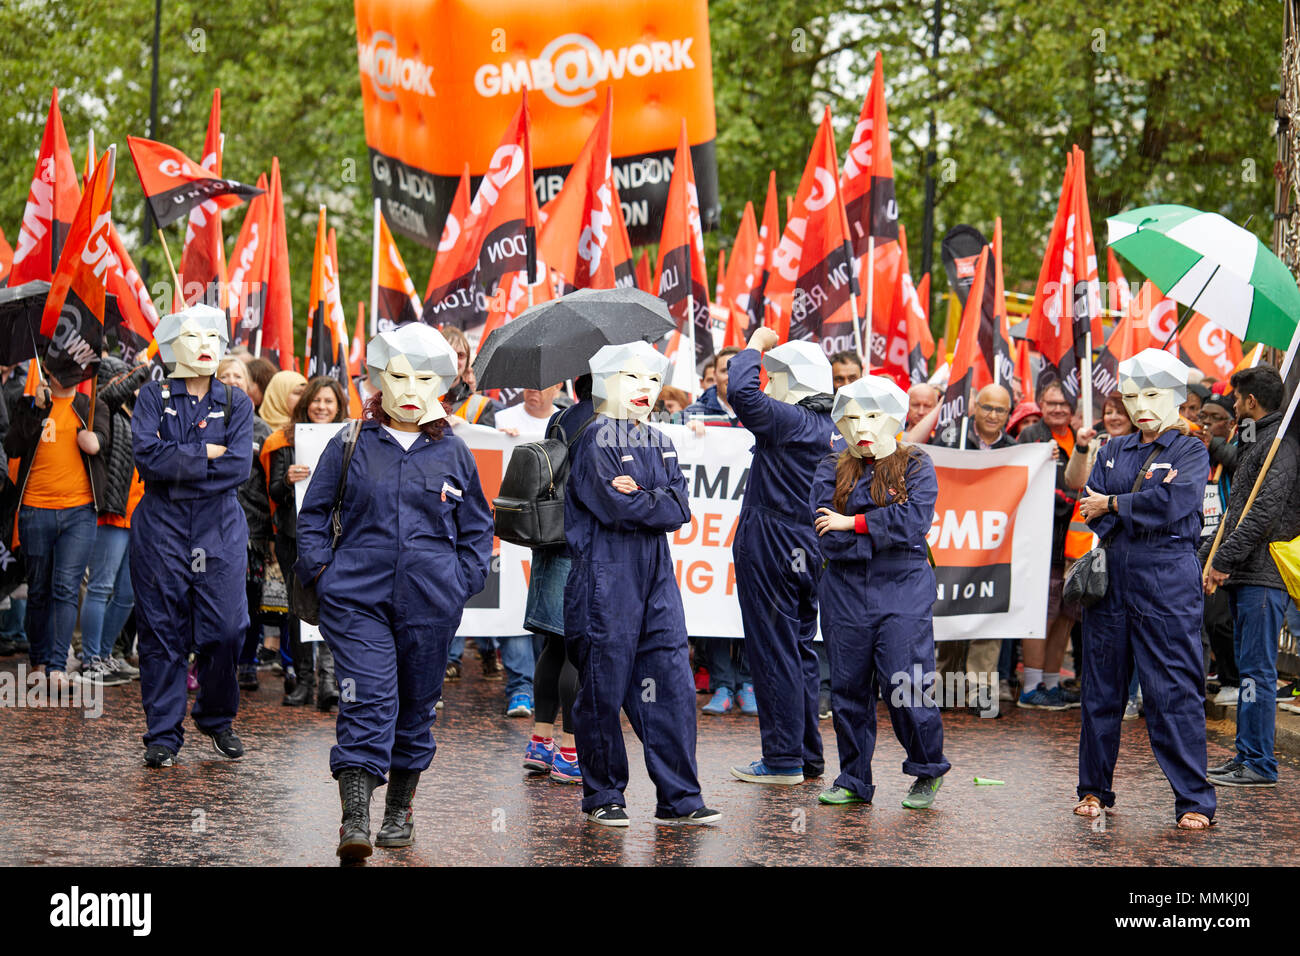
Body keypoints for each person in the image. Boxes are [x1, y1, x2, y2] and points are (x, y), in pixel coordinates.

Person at [297, 323, 493, 860]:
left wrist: (462, 580)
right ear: (381, 377)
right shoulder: (350, 441)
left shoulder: (455, 453)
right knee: (369, 698)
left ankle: (399, 812)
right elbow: (313, 516)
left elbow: (477, 528)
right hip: (356, 599)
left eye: (423, 379)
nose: (409, 390)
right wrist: (324, 575)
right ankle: (354, 820)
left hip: (431, 604)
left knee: (416, 708)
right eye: (399, 377)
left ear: (442, 385)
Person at [564, 341, 720, 827]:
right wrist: (653, 500)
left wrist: (646, 498)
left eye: (653, 380)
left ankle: (680, 798)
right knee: (602, 692)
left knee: (671, 686)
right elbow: (616, 507)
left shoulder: (661, 440)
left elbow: (680, 509)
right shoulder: (593, 439)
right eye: (632, 378)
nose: (645, 389)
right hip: (604, 581)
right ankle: (603, 794)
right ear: (606, 381)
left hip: (656, 580)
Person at [1073, 349, 1215, 829]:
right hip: (1112, 581)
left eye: (1151, 394)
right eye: (1131, 396)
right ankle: (1093, 789)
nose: (1139, 406)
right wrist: (1126, 505)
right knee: (1101, 689)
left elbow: (1173, 504)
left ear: (1178, 397)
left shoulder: (1191, 449)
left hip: (1166, 583)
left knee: (1172, 691)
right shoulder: (1112, 449)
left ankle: (1194, 800)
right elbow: (1087, 506)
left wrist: (1114, 502)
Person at [810, 375, 950, 809]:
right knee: (849, 687)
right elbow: (823, 532)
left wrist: (855, 522)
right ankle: (853, 778)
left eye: (871, 417)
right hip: (845, 588)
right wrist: (879, 527)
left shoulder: (916, 463)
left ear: (895, 418)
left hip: (904, 583)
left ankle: (928, 769)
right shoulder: (829, 464)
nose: (861, 429)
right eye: (850, 419)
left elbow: (915, 522)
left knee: (904, 682)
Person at [130, 304, 254, 768]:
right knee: (161, 631)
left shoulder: (236, 401)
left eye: (213, 338)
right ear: (172, 346)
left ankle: (216, 717)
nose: (206, 347)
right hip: (160, 529)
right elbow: (147, 458)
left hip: (217, 529)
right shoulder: (151, 396)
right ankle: (162, 733)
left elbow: (238, 466)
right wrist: (205, 454)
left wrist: (179, 460)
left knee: (227, 627)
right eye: (194, 338)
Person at [727, 329, 836, 786]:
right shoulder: (830, 427)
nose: (770, 385)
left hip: (772, 540)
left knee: (773, 649)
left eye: (776, 377)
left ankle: (783, 759)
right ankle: (805, 755)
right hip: (808, 544)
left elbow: (740, 391)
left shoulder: (792, 420)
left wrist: (754, 343)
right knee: (798, 650)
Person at [1202, 364, 1300, 788]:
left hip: (1263, 575)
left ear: (1252, 402)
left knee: (1258, 671)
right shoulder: (1256, 439)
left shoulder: (1280, 446)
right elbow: (1235, 507)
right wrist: (1207, 555)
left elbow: (1261, 514)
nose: (1233, 405)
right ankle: (1245, 753)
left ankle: (1259, 761)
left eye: (1238, 399)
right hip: (1246, 571)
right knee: (1249, 669)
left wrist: (1222, 559)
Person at [4, 365, 110, 684]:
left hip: (79, 512)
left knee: (65, 587)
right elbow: (12, 447)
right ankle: (38, 660)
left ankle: (57, 666)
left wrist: (95, 440)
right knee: (38, 589)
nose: (62, 375)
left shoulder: (91, 408)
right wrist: (35, 410)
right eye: (56, 368)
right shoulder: (30, 404)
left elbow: (102, 440)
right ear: (47, 372)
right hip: (35, 510)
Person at [522, 374, 594, 785]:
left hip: (550, 538)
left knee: (554, 643)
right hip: (582, 544)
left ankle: (540, 740)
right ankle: (570, 751)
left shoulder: (562, 419)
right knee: (576, 649)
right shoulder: (606, 425)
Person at [930, 383, 1015, 712]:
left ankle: (981, 690)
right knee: (951, 611)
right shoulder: (951, 436)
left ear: (1009, 414)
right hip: (954, 540)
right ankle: (946, 686)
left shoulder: (1014, 448)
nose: (993, 415)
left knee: (989, 614)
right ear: (974, 408)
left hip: (992, 546)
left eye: (1000, 410)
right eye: (987, 407)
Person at [269, 376, 348, 710]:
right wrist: (287, 481)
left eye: (329, 402)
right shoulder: (284, 440)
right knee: (296, 608)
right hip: (294, 536)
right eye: (316, 401)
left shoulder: (352, 439)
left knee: (332, 603)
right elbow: (271, 491)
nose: (322, 407)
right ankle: (303, 680)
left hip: (337, 536)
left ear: (339, 406)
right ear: (306, 404)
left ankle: (329, 682)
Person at [685, 345, 754, 715]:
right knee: (713, 601)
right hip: (708, 532)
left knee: (746, 602)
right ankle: (723, 684)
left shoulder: (761, 409)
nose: (729, 376)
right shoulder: (693, 413)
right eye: (723, 370)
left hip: (747, 522)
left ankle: (747, 682)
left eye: (737, 369)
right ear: (714, 376)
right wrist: (691, 434)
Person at [1064, 392, 1140, 718]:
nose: (1112, 417)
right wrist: (1082, 448)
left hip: (1127, 550)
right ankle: (1096, 688)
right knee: (1094, 620)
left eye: (1119, 412)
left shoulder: (1145, 450)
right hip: (1089, 549)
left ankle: (1132, 695)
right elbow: (1075, 481)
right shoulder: (1099, 444)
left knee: (1132, 624)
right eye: (1108, 411)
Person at [78, 353, 151, 685]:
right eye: (126, 379)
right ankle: (90, 658)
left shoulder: (139, 418)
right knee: (101, 587)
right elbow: (109, 392)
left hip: (139, 519)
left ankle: (105, 655)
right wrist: (143, 365)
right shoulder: (102, 410)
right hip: (111, 513)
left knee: (128, 592)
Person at [1015, 381, 1082, 709]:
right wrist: (1078, 501)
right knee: (1043, 614)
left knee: (1067, 614)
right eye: (1051, 402)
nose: (1058, 409)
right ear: (1040, 402)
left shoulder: (1081, 437)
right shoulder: (1032, 436)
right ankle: (1031, 686)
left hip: (1077, 544)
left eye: (1064, 403)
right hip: (1044, 542)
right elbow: (1028, 484)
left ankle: (1052, 683)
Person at [218, 357, 274, 692]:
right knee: (212, 597)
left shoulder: (262, 429)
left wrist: (267, 531)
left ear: (250, 384)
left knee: (249, 600)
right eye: (224, 375)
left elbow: (270, 483)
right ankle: (208, 661)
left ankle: (248, 662)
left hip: (252, 530)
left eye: (238, 376)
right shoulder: (204, 421)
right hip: (211, 526)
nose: (231, 380)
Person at [1196, 393, 1239, 705]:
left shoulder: (1237, 446)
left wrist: (1214, 445)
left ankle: (1232, 678)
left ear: (1230, 423)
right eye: (1203, 417)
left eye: (1213, 418)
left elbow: (1238, 463)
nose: (1206, 423)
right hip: (1196, 541)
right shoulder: (1197, 449)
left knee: (1218, 618)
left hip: (1225, 540)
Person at [440, 325, 496, 427]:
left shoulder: (482, 406)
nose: (455, 360)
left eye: (460, 355)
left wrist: (466, 427)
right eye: (449, 354)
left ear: (466, 363)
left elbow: (488, 442)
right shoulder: (420, 396)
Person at [495, 384, 563, 438]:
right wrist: (500, 440)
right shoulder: (501, 419)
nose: (532, 389)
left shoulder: (565, 423)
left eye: (540, 384)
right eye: (528, 382)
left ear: (557, 386)